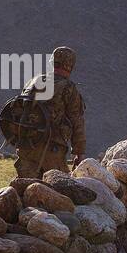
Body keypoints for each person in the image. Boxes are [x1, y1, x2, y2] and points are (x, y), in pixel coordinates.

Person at [13, 45, 86, 178]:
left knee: (25, 188)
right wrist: (79, 153)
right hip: (52, 148)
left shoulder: (34, 81)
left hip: (27, 145)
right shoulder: (68, 88)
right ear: (70, 65)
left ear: (53, 62)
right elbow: (77, 121)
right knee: (57, 189)